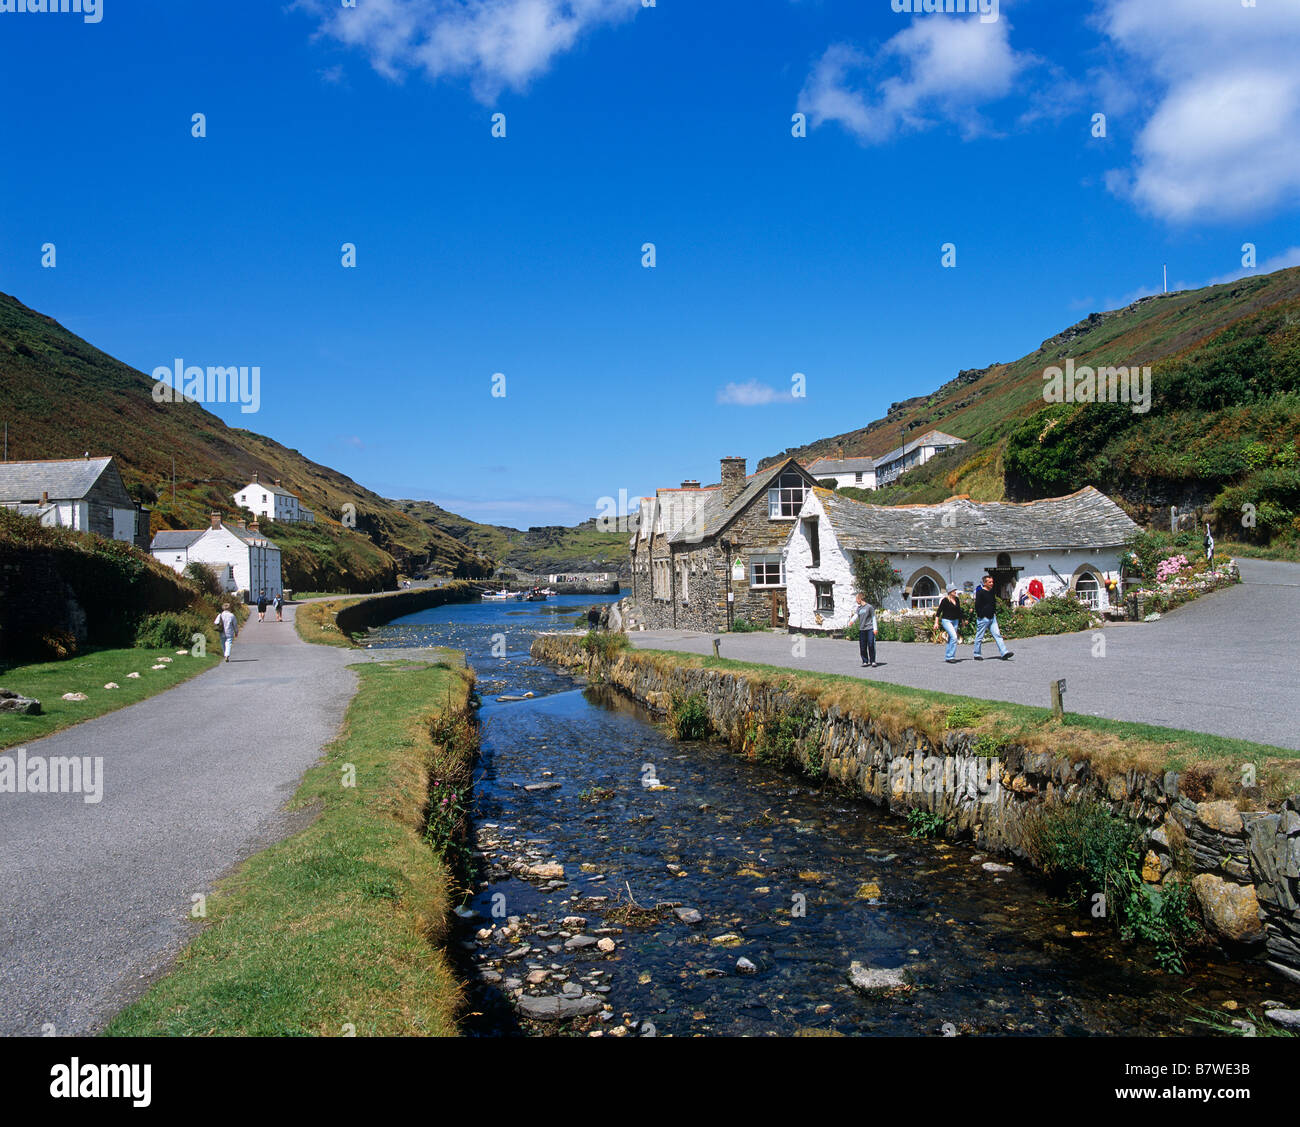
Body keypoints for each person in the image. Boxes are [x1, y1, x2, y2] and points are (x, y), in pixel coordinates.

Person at [973, 575, 1014, 661]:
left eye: (992, 582)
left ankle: (1004, 653)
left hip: (992, 617)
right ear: (985, 583)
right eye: (989, 582)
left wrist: (994, 612)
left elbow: (993, 603)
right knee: (979, 636)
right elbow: (977, 605)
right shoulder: (980, 592)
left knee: (997, 635)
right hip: (983, 618)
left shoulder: (992, 591)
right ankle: (977, 654)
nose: (992, 584)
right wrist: (981, 615)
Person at [935, 588, 963, 663]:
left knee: (951, 638)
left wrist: (962, 621)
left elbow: (959, 611)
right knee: (954, 637)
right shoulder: (945, 600)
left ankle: (948, 656)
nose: (955, 592)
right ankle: (951, 656)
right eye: (954, 591)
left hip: (955, 620)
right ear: (950, 592)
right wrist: (936, 623)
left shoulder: (956, 599)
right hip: (946, 621)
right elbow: (938, 612)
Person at [853, 592, 877, 668]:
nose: (856, 600)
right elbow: (856, 615)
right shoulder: (859, 608)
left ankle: (873, 661)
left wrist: (875, 628)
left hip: (869, 628)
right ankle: (865, 661)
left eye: (857, 599)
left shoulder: (869, 607)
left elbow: (873, 617)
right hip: (862, 629)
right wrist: (851, 621)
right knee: (862, 646)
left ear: (860, 599)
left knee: (871, 644)